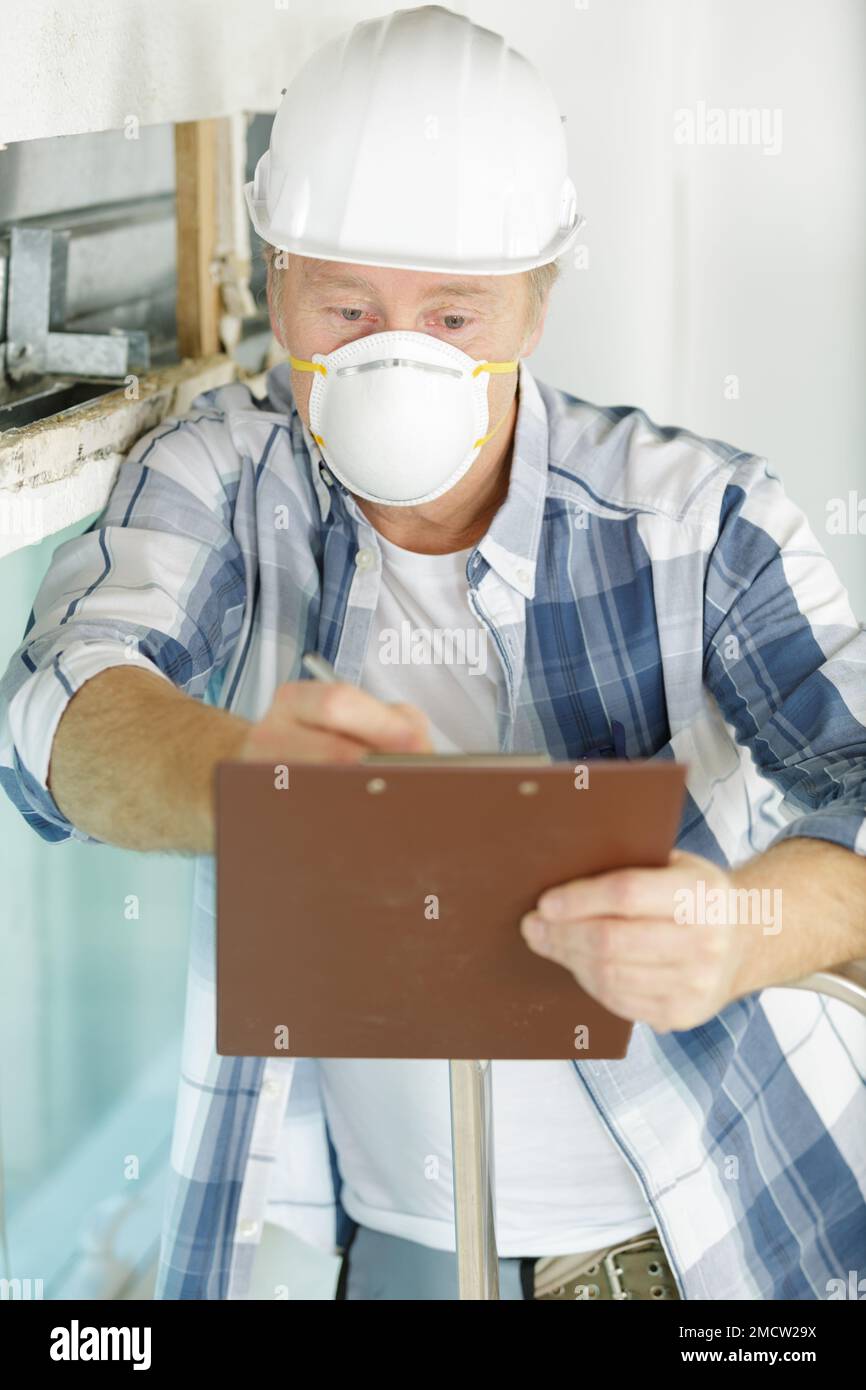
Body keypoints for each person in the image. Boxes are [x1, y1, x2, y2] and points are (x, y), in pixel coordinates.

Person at [1, 5, 864, 1301]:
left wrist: (747, 927)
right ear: (272, 274)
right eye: (345, 302)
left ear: (540, 296)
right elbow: (63, 713)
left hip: (717, 1242)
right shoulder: (223, 478)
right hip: (389, 1250)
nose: (391, 358)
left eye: (453, 316)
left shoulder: (699, 518)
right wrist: (243, 779)